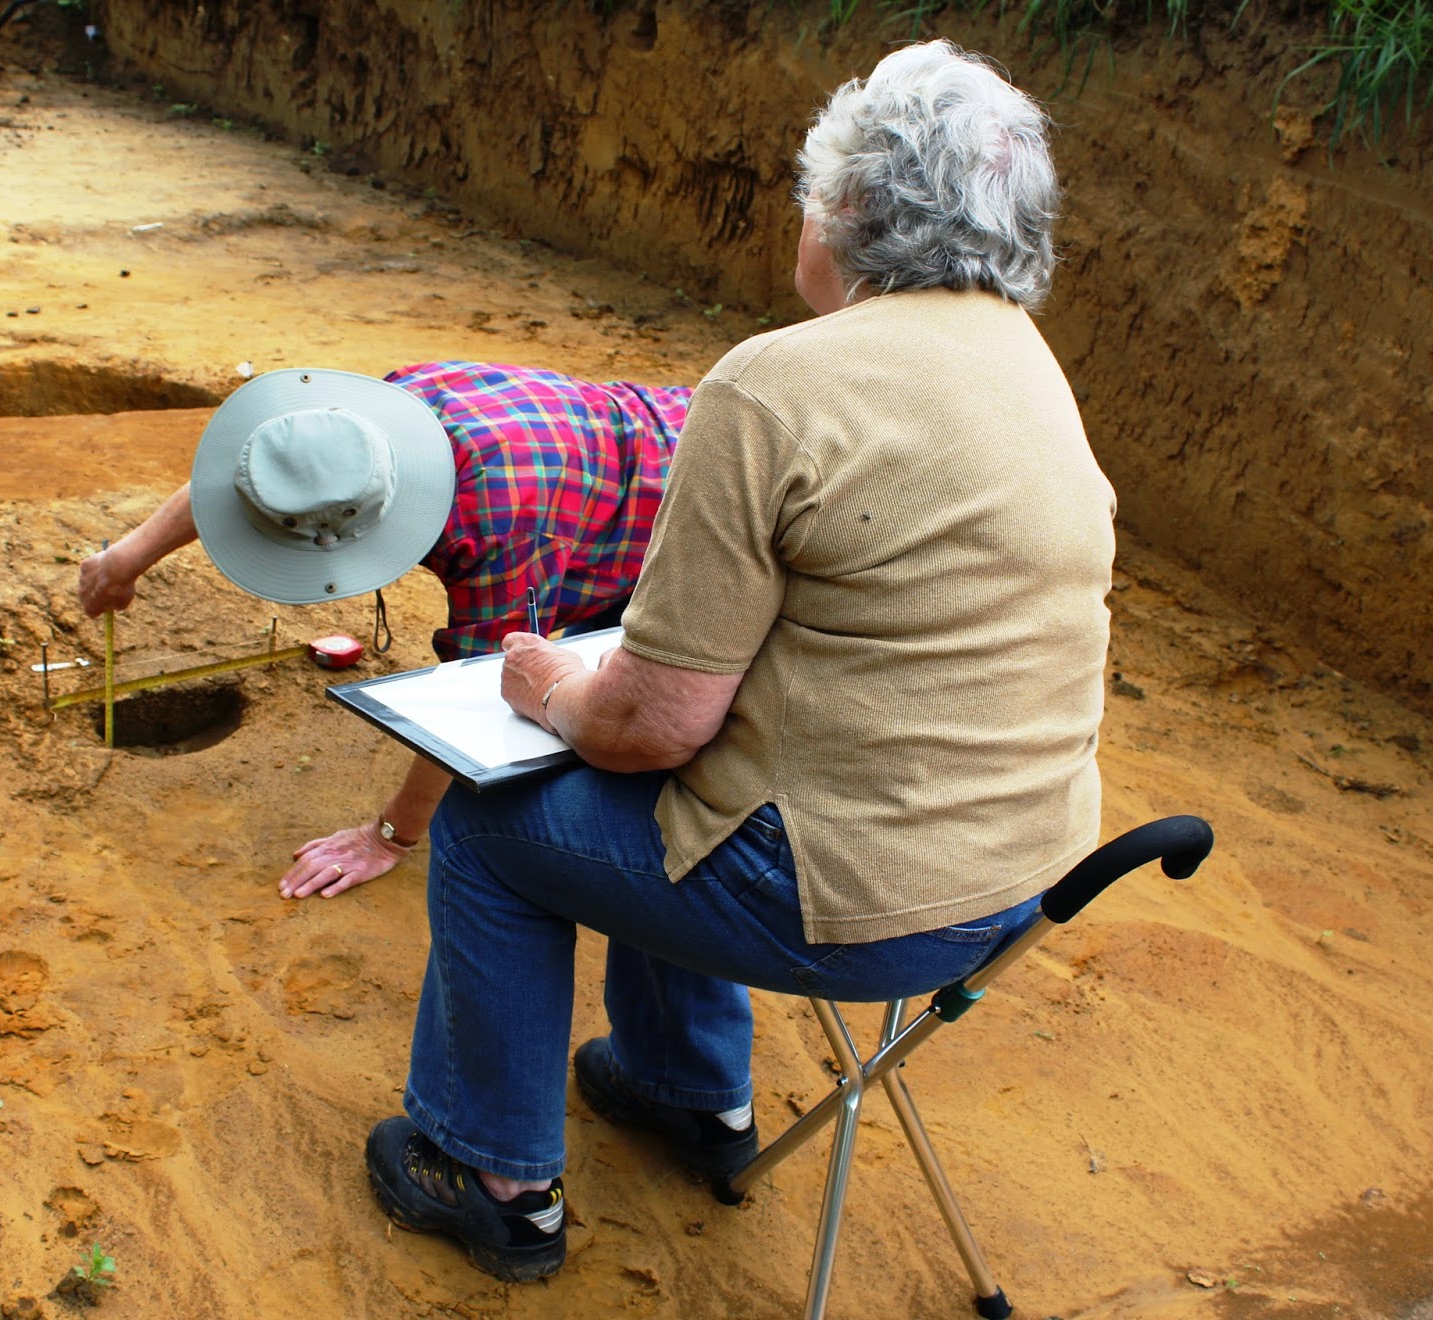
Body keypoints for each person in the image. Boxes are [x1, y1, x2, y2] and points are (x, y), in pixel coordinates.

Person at [358, 39, 1118, 1284]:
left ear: (854, 209)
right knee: (676, 795)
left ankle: (490, 1175)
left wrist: (554, 688)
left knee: (496, 830)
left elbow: (651, 725)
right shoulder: (1029, 367)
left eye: (812, 191)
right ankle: (683, 1090)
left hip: (859, 903)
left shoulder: (774, 384)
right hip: (1018, 877)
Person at [77, 360, 690, 898]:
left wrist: (388, 837)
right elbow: (255, 475)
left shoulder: (501, 529)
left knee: (617, 727)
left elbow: (483, 690)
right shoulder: (382, 419)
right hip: (610, 454)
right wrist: (123, 560)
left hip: (680, 516)